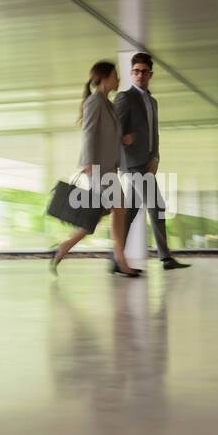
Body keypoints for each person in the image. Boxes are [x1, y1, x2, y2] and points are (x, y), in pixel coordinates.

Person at [50, 61, 141, 277]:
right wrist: (89, 164)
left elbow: (105, 133)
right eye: (115, 75)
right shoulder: (94, 102)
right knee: (119, 208)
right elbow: (89, 132)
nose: (118, 79)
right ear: (105, 77)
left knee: (99, 213)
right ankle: (121, 260)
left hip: (107, 166)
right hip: (97, 167)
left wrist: (123, 139)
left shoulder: (107, 104)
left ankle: (63, 247)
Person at [113, 52, 189, 271]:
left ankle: (116, 259)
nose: (140, 75)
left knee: (131, 211)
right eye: (136, 71)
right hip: (131, 163)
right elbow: (114, 126)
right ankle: (165, 258)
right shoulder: (124, 97)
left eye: (144, 72)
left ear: (150, 74)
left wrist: (155, 158)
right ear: (131, 73)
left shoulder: (152, 102)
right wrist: (123, 137)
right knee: (157, 206)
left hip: (146, 162)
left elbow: (154, 133)